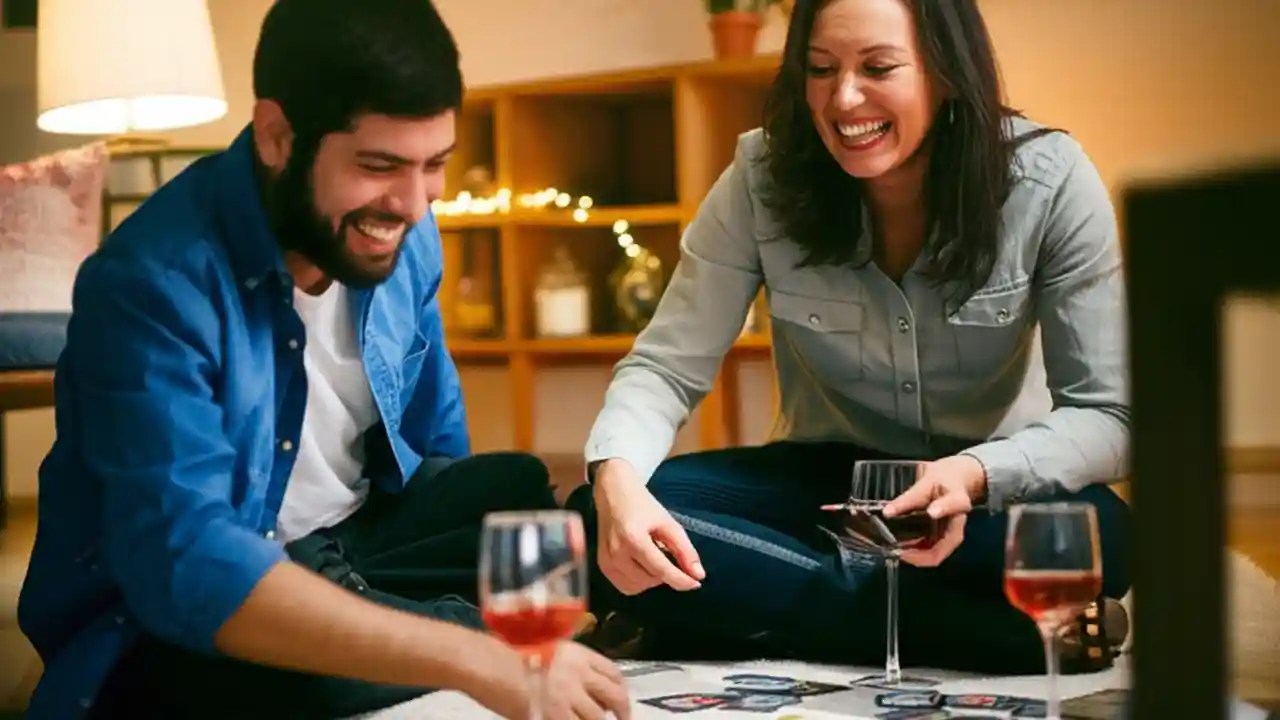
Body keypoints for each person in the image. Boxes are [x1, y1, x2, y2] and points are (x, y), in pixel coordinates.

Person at [17, 2, 630, 718]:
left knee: (516, 496)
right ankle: (426, 630)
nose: (410, 203)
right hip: (179, 604)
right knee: (316, 658)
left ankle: (397, 622)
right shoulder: (152, 283)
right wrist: (478, 657)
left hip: (349, 543)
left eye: (434, 165)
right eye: (379, 166)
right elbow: (188, 562)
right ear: (278, 135)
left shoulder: (404, 232)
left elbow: (435, 437)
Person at [569, 0, 1131, 674]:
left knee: (1107, 536)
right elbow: (666, 366)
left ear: (946, 72)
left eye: (879, 67)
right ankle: (977, 632)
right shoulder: (761, 178)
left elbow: (1108, 414)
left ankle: (762, 607)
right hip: (822, 492)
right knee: (597, 520)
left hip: (981, 490)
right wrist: (618, 482)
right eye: (820, 69)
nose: (844, 99)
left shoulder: (1049, 182)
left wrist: (976, 475)